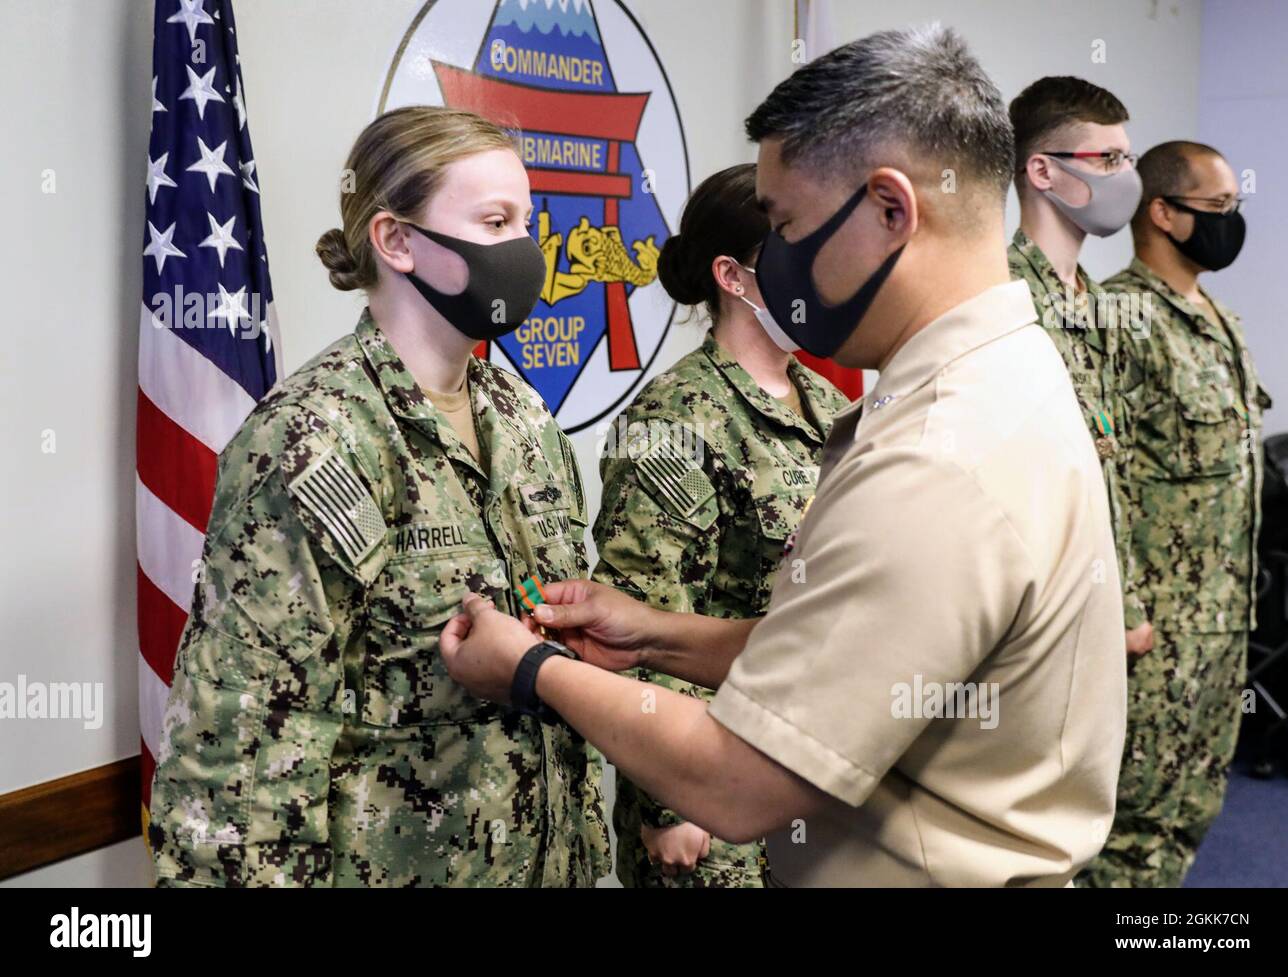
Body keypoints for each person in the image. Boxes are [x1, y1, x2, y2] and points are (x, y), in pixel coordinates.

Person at [438, 27, 1127, 887]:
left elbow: (740, 780)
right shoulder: (1001, 377)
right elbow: (856, 650)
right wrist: (655, 634)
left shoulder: (937, 457)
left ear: (890, 209)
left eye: (789, 224)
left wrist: (531, 669)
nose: (783, 261)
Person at [148, 106, 609, 887]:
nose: (526, 252)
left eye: (526, 222)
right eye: (495, 221)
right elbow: (243, 758)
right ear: (397, 241)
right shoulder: (311, 441)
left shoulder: (522, 417)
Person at [593, 163, 848, 887]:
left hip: (823, 768)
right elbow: (640, 625)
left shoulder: (829, 405)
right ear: (732, 277)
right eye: (798, 249)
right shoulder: (673, 422)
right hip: (719, 796)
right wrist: (671, 800)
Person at [1076, 141, 1271, 888]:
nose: (1230, 224)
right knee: (1133, 826)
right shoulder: (1121, 318)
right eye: (1218, 209)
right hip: (1158, 631)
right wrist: (1126, 611)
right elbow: (1103, 478)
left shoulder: (1217, 317)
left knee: (1192, 811)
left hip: (1224, 617)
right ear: (1162, 212)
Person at [1006, 76, 1152, 656]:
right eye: (1109, 159)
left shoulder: (1099, 305)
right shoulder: (1002, 299)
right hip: (1039, 618)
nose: (1127, 178)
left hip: (1105, 604)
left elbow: (1112, 466)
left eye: (1129, 158)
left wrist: (1127, 604)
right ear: (1042, 172)